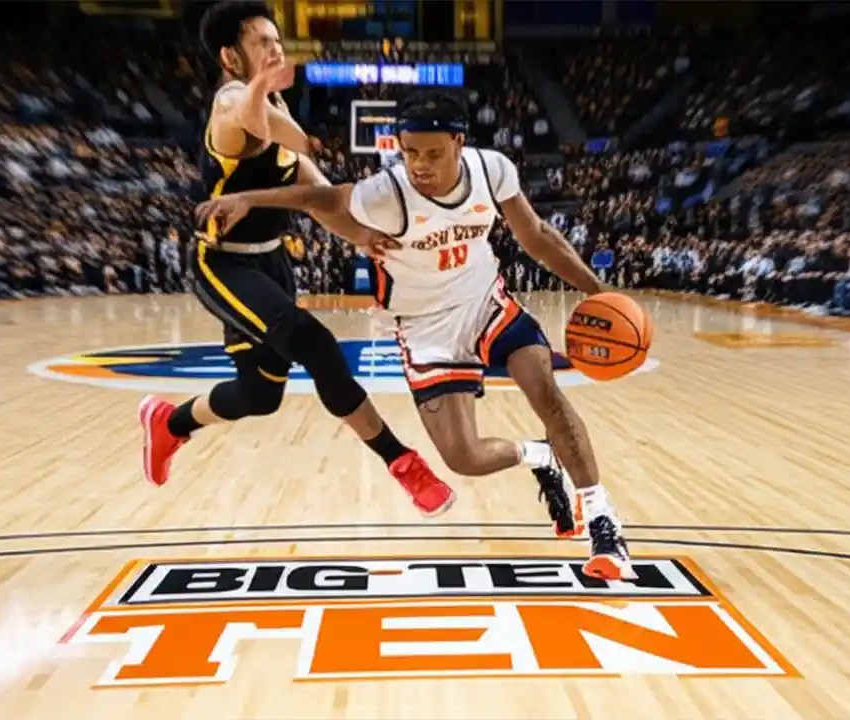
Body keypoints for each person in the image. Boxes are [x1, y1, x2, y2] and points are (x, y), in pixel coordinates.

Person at [195, 91, 635, 580]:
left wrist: (599, 293)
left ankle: (601, 521)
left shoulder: (492, 170)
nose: (419, 164)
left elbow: (536, 235)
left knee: (545, 392)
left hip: (486, 300)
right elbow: (317, 197)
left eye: (432, 152)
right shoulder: (386, 194)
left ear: (458, 142)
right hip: (425, 326)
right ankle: (538, 454)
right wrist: (245, 198)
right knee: (463, 458)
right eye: (410, 152)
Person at [138, 1, 452, 517]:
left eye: (276, 40)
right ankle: (402, 462)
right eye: (261, 42)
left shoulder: (278, 125)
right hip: (224, 264)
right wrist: (262, 86)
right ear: (231, 57)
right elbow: (254, 120)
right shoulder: (230, 101)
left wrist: (366, 238)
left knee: (259, 395)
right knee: (315, 342)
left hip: (272, 264)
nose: (274, 48)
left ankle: (168, 424)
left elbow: (324, 199)